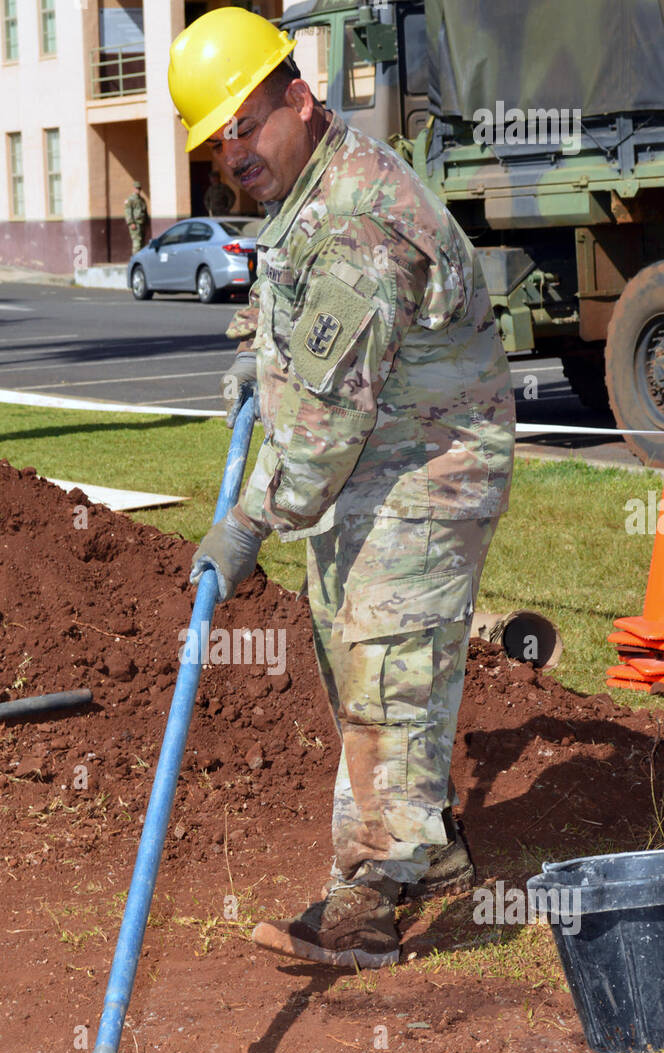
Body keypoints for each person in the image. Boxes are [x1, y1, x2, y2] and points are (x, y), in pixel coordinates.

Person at [168, 9, 516, 971]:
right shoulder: (313, 193)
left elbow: (321, 431)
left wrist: (243, 525)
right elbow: (298, 310)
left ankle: (375, 891)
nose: (233, 154)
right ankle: (423, 849)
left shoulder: (361, 220)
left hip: (427, 466)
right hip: (378, 454)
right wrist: (260, 360)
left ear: (298, 96)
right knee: (358, 652)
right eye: (216, 142)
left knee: (383, 651)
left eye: (243, 124)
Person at [125, 182, 148, 254]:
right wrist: (131, 223)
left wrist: (147, 222)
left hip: (142, 223)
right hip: (135, 223)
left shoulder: (142, 200)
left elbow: (145, 211)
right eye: (137, 188)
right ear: (134, 189)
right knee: (137, 244)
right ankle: (135, 260)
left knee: (143, 243)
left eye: (139, 188)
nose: (138, 190)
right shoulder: (130, 200)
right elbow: (128, 212)